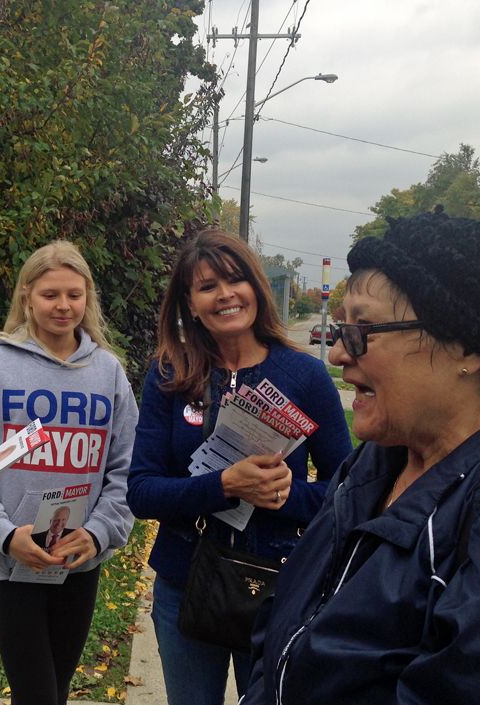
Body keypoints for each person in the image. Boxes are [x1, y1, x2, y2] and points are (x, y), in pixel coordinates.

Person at [243, 210, 480, 705]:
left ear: (466, 346)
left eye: (363, 329)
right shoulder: (376, 463)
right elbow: (290, 619)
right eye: (340, 328)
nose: (337, 354)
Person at [126, 228, 353, 705]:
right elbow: (142, 491)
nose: (225, 295)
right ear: (190, 302)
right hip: (185, 583)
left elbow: (348, 491)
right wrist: (223, 485)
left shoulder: (306, 376)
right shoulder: (169, 374)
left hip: (280, 588)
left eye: (236, 280)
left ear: (256, 288)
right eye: (208, 286)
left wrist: (287, 496)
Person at [0, 240, 138, 705]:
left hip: (79, 560)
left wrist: (97, 534)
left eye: (74, 294)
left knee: (57, 689)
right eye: (51, 294)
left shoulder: (109, 373)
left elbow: (126, 471)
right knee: (36, 695)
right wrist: (6, 535)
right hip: (15, 563)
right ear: (27, 295)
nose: (63, 306)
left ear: (87, 298)